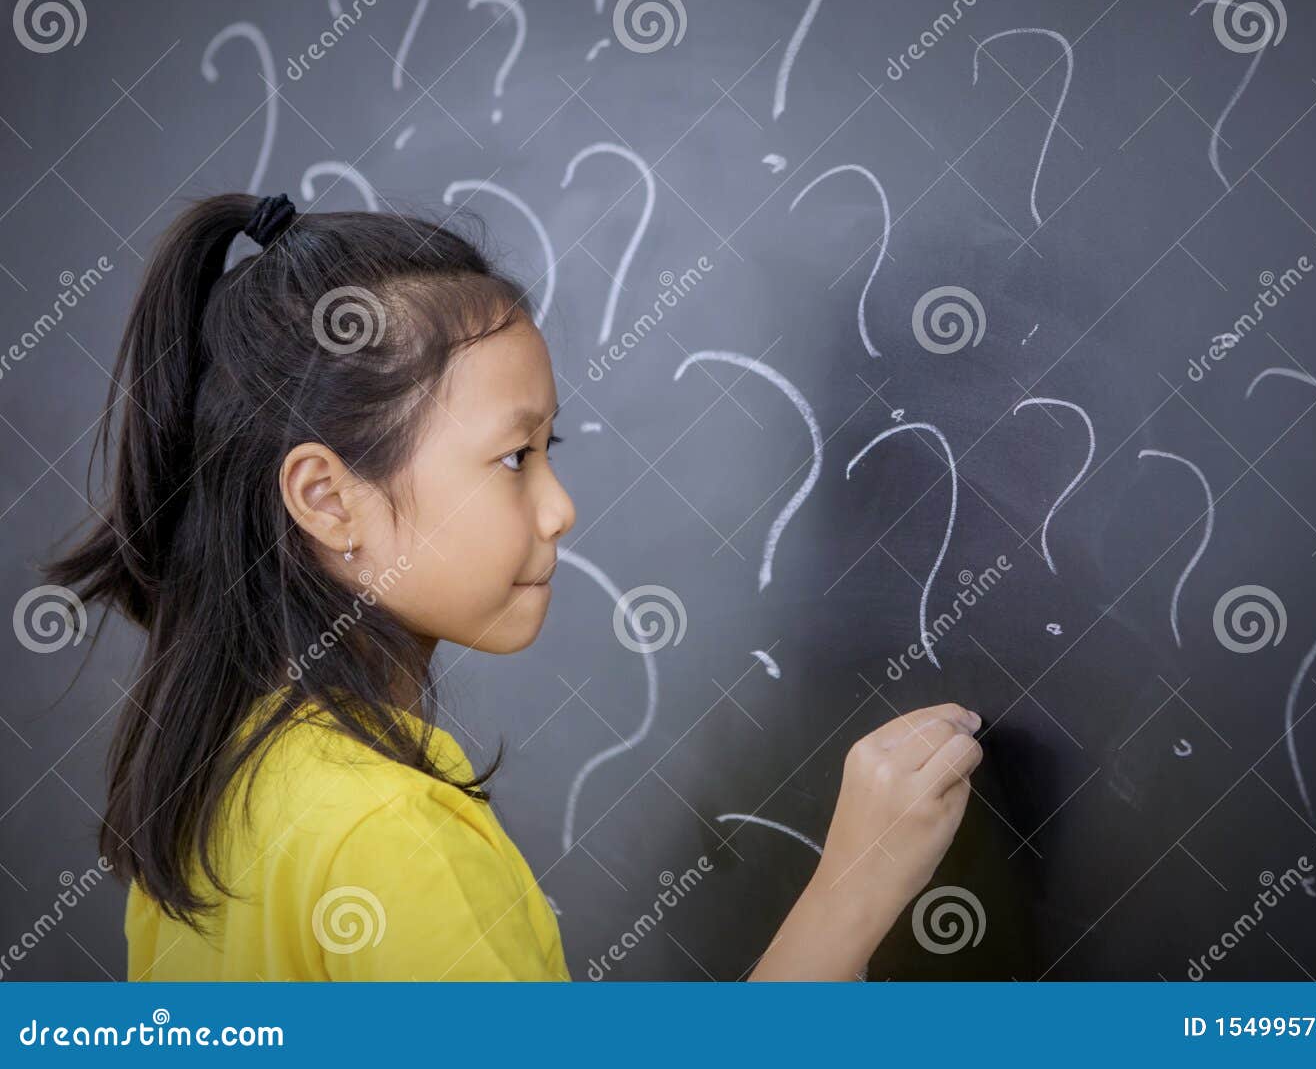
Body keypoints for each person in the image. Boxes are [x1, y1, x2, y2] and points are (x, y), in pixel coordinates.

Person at [47, 192, 983, 981]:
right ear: (328, 500)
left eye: (549, 448)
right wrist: (852, 890)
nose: (559, 507)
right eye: (513, 457)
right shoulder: (393, 835)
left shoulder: (220, 782)